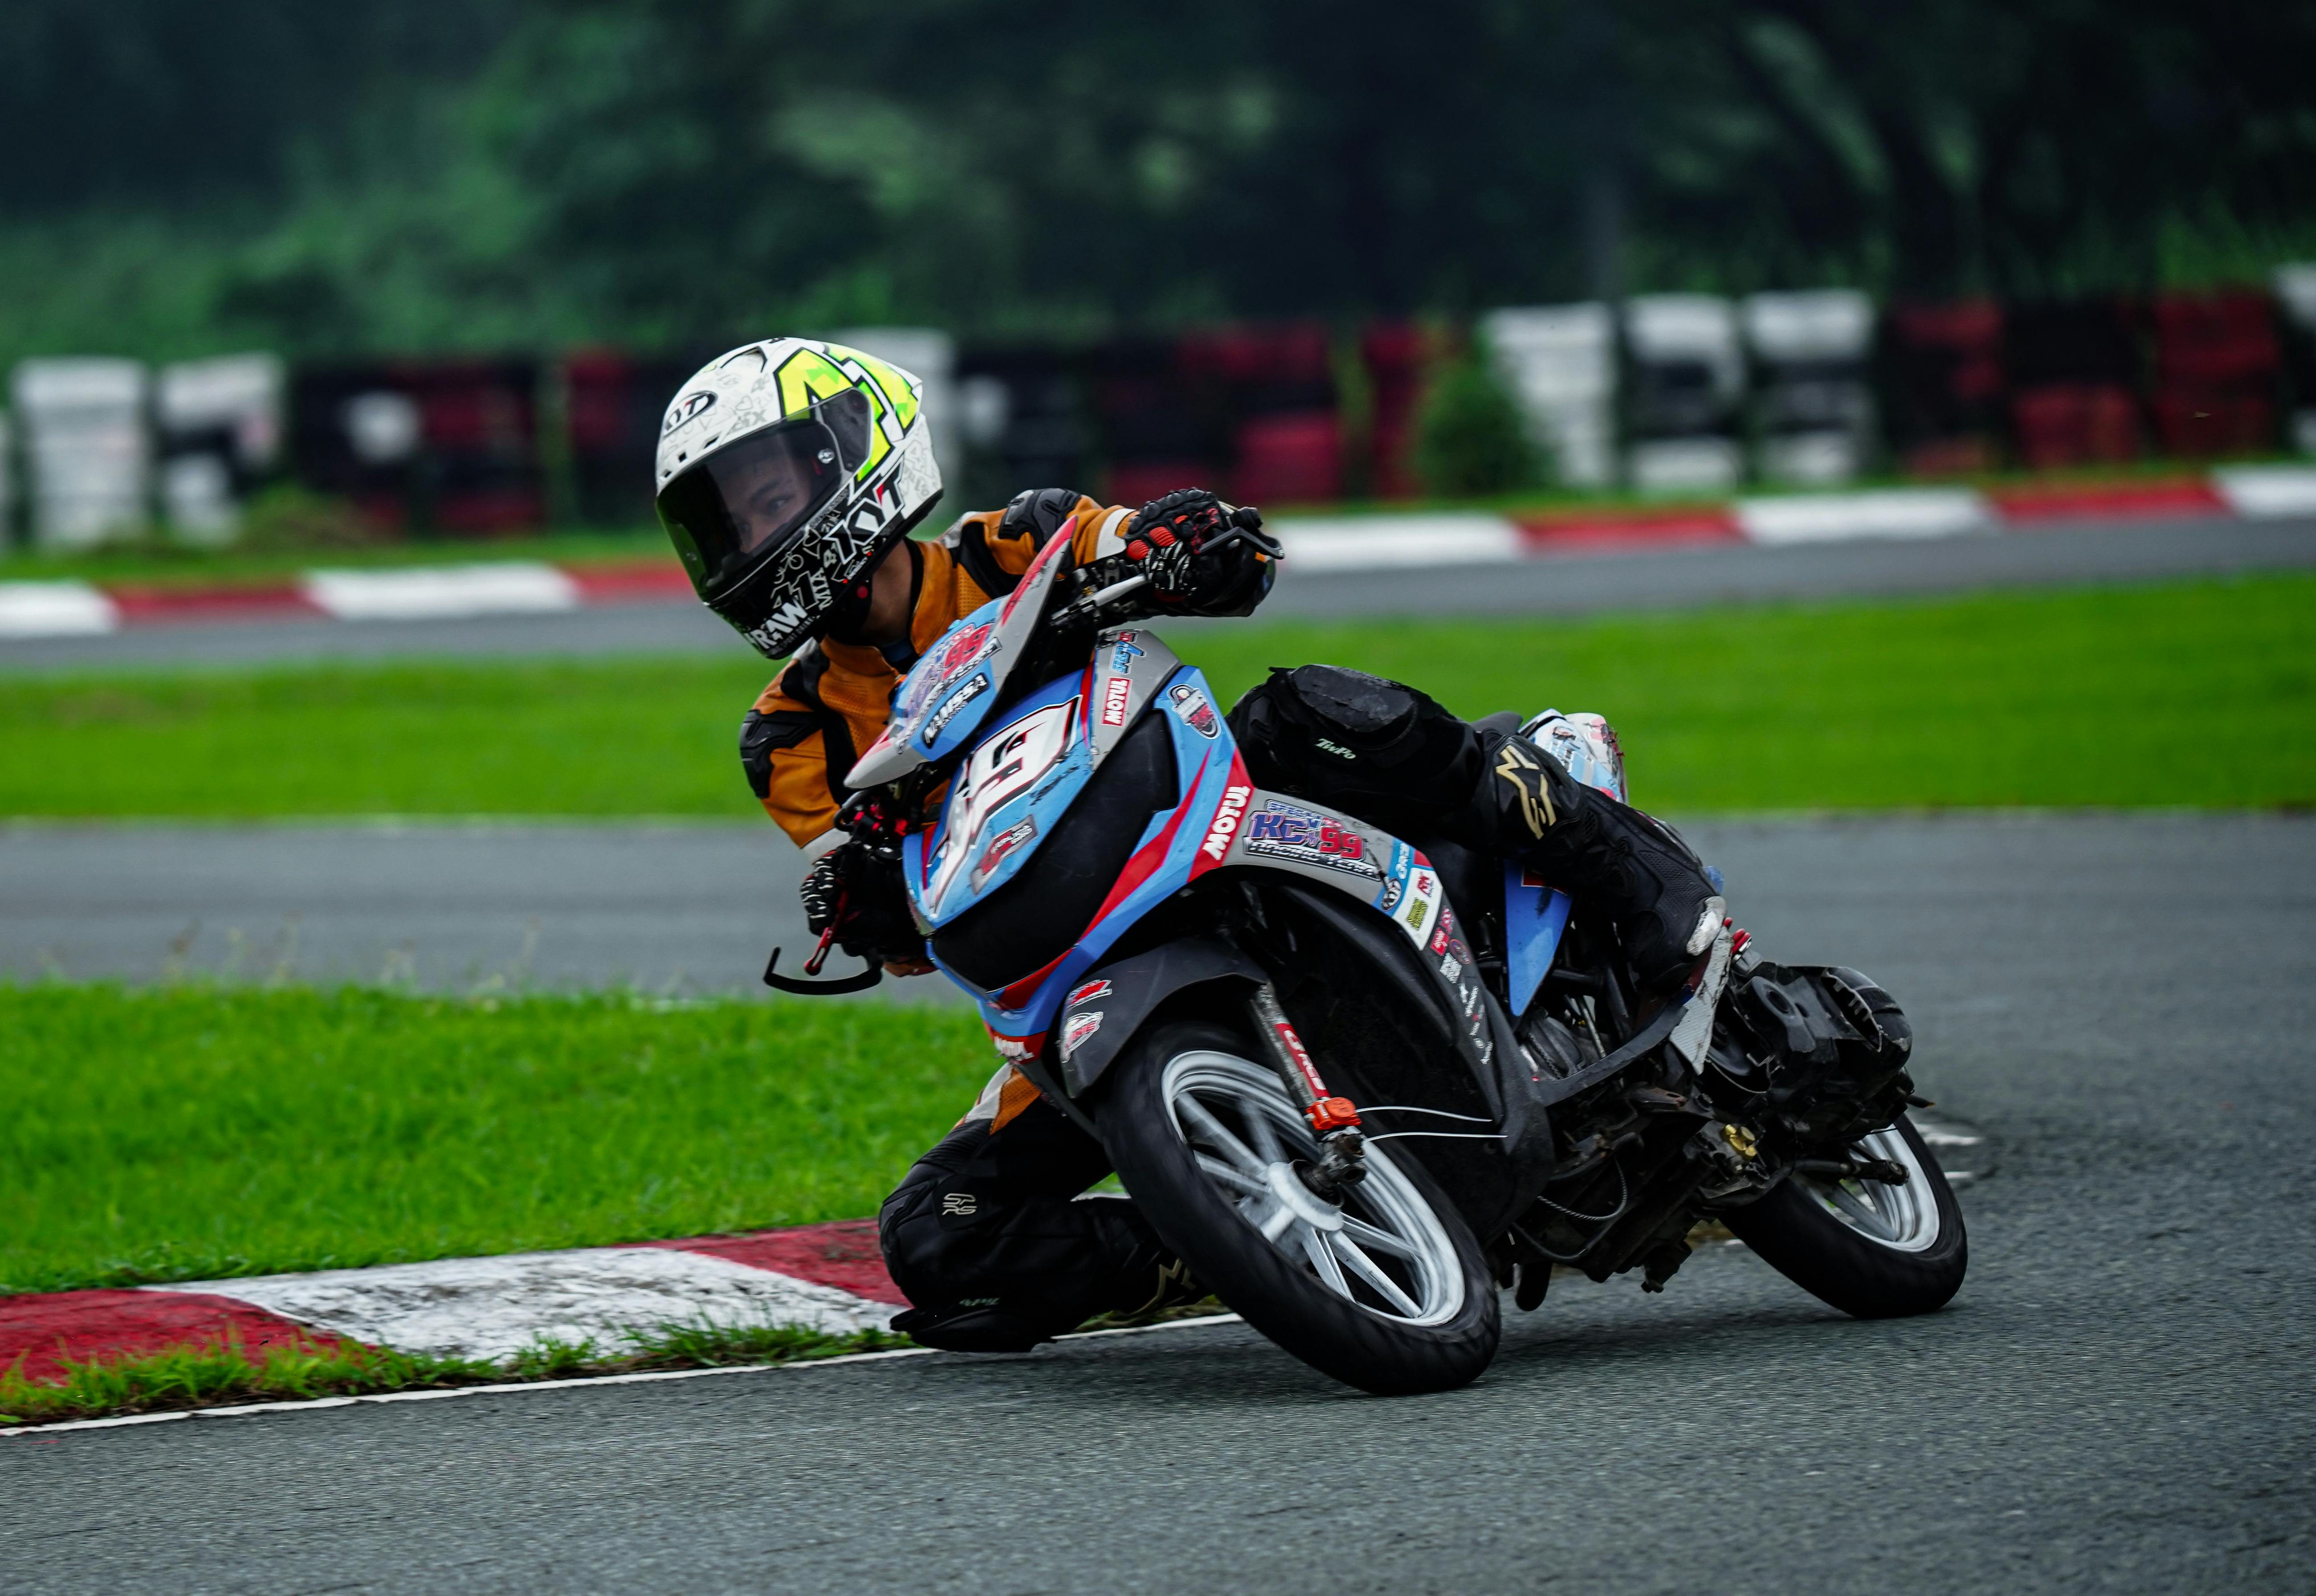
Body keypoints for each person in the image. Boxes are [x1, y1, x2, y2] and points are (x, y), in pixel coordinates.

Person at [655, 338, 1721, 1351]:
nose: (754, 535)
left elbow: (1135, 543)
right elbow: (883, 907)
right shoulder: (786, 734)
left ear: (854, 452)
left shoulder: (1009, 540)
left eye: (769, 497)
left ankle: (1631, 874)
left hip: (1202, 813)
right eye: (728, 522)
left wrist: (1181, 540)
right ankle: (1240, 1245)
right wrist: (856, 896)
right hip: (1069, 967)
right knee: (940, 1234)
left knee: (1317, 709)